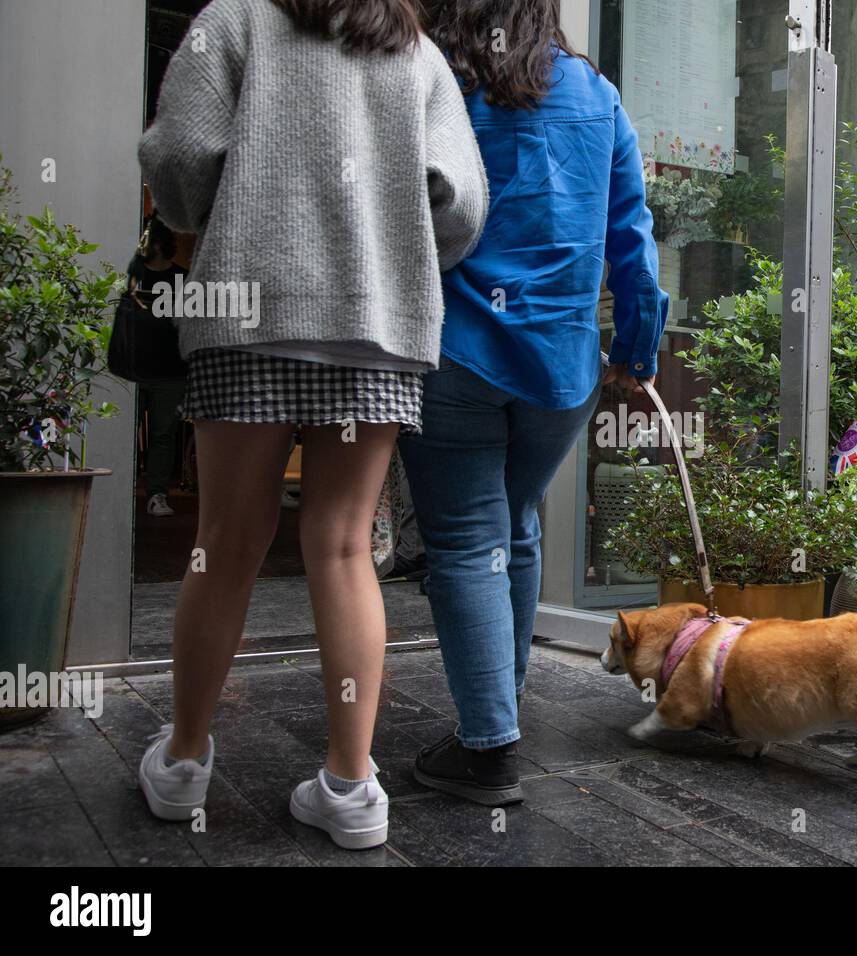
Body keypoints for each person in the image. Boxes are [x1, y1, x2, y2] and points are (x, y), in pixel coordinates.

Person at [135, 0, 488, 849]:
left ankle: (183, 765)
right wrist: (388, 241)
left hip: (248, 310)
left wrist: (231, 209)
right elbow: (463, 207)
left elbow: (181, 161)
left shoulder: (235, 22)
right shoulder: (414, 50)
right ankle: (351, 785)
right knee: (341, 545)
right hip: (378, 325)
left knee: (224, 539)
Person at [398, 0, 669, 806]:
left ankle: (488, 748)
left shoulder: (436, 78)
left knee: (467, 538)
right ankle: (499, 713)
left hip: (458, 350)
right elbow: (633, 237)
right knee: (513, 524)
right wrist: (636, 348)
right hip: (560, 369)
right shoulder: (595, 94)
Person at [130, 213, 188, 516]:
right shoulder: (133, 277)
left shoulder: (183, 279)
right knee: (130, 430)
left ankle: (156, 494)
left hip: (169, 370)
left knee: (163, 434)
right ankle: (128, 491)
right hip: (137, 367)